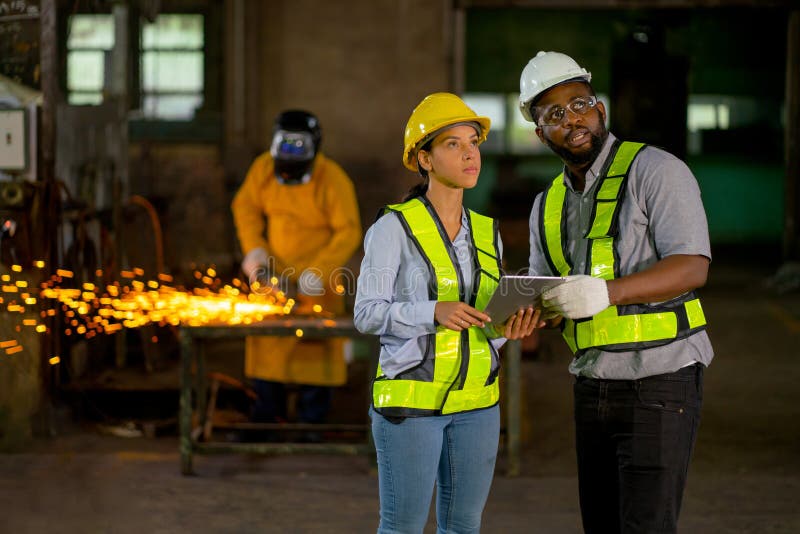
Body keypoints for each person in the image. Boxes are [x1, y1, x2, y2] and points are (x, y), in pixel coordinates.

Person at [519, 51, 714, 533]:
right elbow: (552, 292)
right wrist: (525, 312)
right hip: (592, 382)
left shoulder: (657, 171)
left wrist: (609, 292)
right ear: (540, 132)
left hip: (661, 378)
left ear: (600, 109)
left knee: (645, 525)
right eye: (555, 115)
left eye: (580, 104)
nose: (573, 120)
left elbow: (692, 266)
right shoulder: (547, 205)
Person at [354, 92, 543, 533]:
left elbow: (483, 320)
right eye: (453, 144)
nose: (469, 153)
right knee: (402, 527)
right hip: (412, 405)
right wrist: (432, 311)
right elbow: (367, 313)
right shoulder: (392, 228)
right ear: (424, 159)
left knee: (463, 527)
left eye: (473, 142)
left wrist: (505, 326)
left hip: (479, 404)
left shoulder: (486, 231)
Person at [232, 109, 362, 436]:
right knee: (268, 347)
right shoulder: (262, 168)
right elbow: (244, 207)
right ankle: (267, 418)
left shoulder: (332, 179)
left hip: (320, 282)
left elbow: (348, 231)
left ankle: (311, 422)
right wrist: (256, 254)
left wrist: (316, 273)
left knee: (316, 352)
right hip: (273, 279)